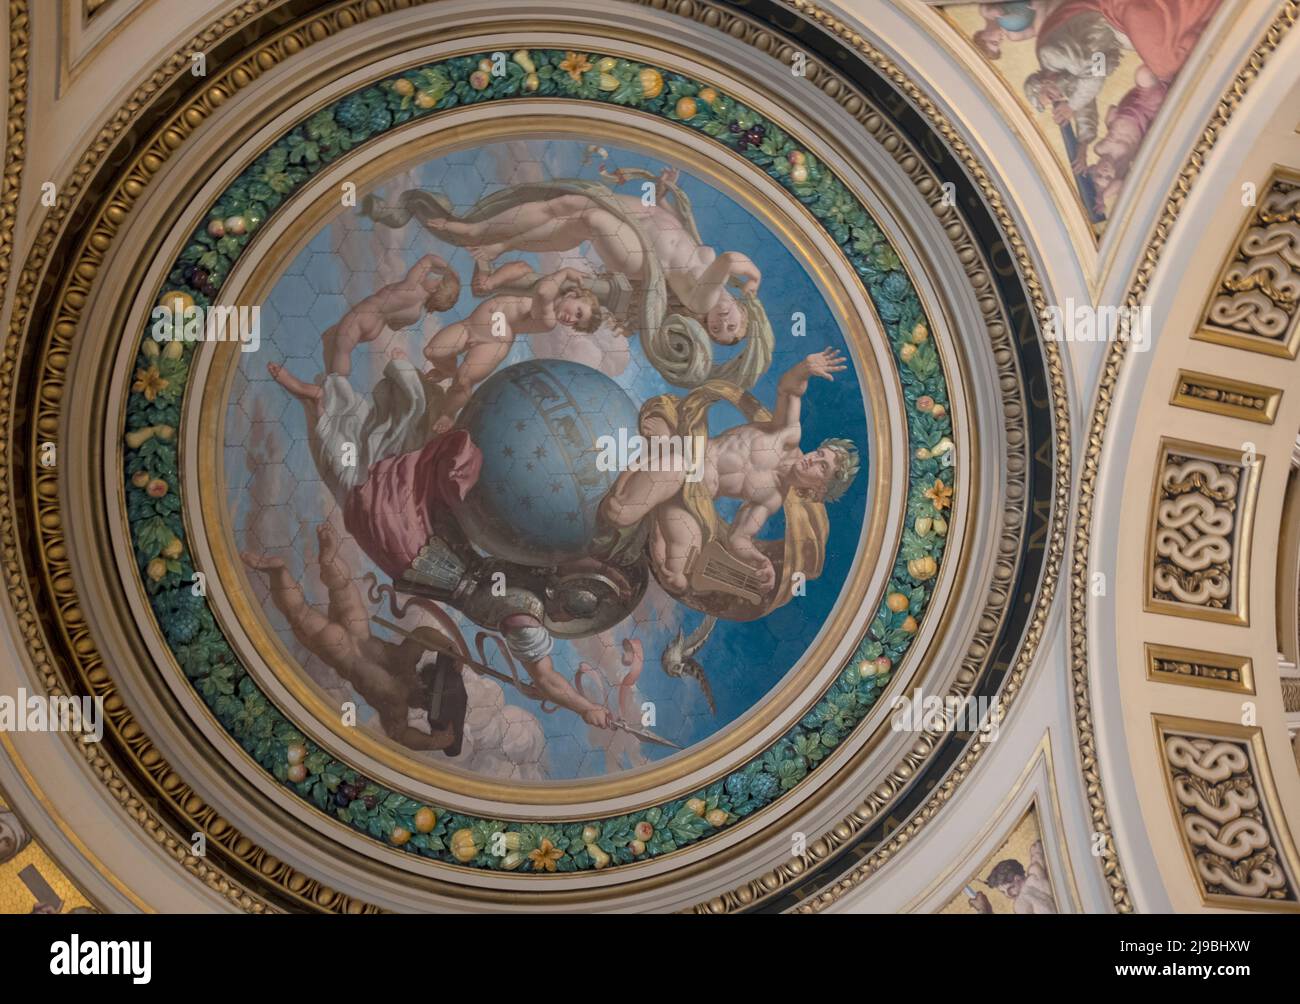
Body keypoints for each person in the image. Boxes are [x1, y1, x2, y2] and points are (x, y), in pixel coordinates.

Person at [598, 348, 859, 595]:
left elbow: (739, 538)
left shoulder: (772, 498)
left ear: (820, 488)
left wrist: (760, 561)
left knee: (676, 579)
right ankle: (656, 458)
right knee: (618, 513)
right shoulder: (787, 436)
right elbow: (789, 390)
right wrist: (804, 368)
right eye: (820, 454)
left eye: (822, 467)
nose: (813, 459)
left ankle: (656, 505)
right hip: (688, 460)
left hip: (691, 501)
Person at [424, 168, 761, 347]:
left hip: (641, 255)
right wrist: (661, 193)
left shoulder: (705, 299)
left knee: (590, 218)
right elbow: (687, 239)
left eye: (717, 330)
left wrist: (754, 277)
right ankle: (477, 230)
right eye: (731, 326)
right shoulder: (716, 280)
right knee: (569, 203)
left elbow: (731, 259)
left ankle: (500, 245)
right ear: (743, 314)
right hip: (650, 220)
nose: (720, 323)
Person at [242, 523, 469, 753]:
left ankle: (327, 561)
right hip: (341, 652)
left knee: (341, 587)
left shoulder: (404, 659)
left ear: (425, 677)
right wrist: (433, 742)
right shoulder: (396, 704)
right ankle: (278, 571)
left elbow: (421, 636)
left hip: (358, 629)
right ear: (421, 703)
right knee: (299, 613)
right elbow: (400, 735)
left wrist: (448, 646)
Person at [421, 260, 607, 433]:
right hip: (470, 326)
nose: (571, 320)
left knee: (463, 381)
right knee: (432, 352)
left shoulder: (548, 319)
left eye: (576, 322)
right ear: (573, 295)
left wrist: (565, 272)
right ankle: (447, 370)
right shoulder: (538, 285)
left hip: (493, 343)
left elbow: (543, 292)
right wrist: (492, 281)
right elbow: (519, 267)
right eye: (578, 312)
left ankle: (448, 413)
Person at [321, 252, 460, 377]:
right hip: (374, 329)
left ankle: (338, 389)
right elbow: (394, 325)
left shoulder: (412, 286)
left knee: (342, 350)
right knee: (330, 337)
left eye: (437, 279)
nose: (432, 277)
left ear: (435, 288)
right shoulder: (415, 314)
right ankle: (330, 382)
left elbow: (428, 259)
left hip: (366, 314)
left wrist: (451, 271)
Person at [970, 839, 1059, 914]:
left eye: (1010, 889)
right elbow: (1038, 858)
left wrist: (985, 910)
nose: (1008, 895)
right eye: (1003, 892)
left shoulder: (1020, 903)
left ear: (1017, 879)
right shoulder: (1035, 874)